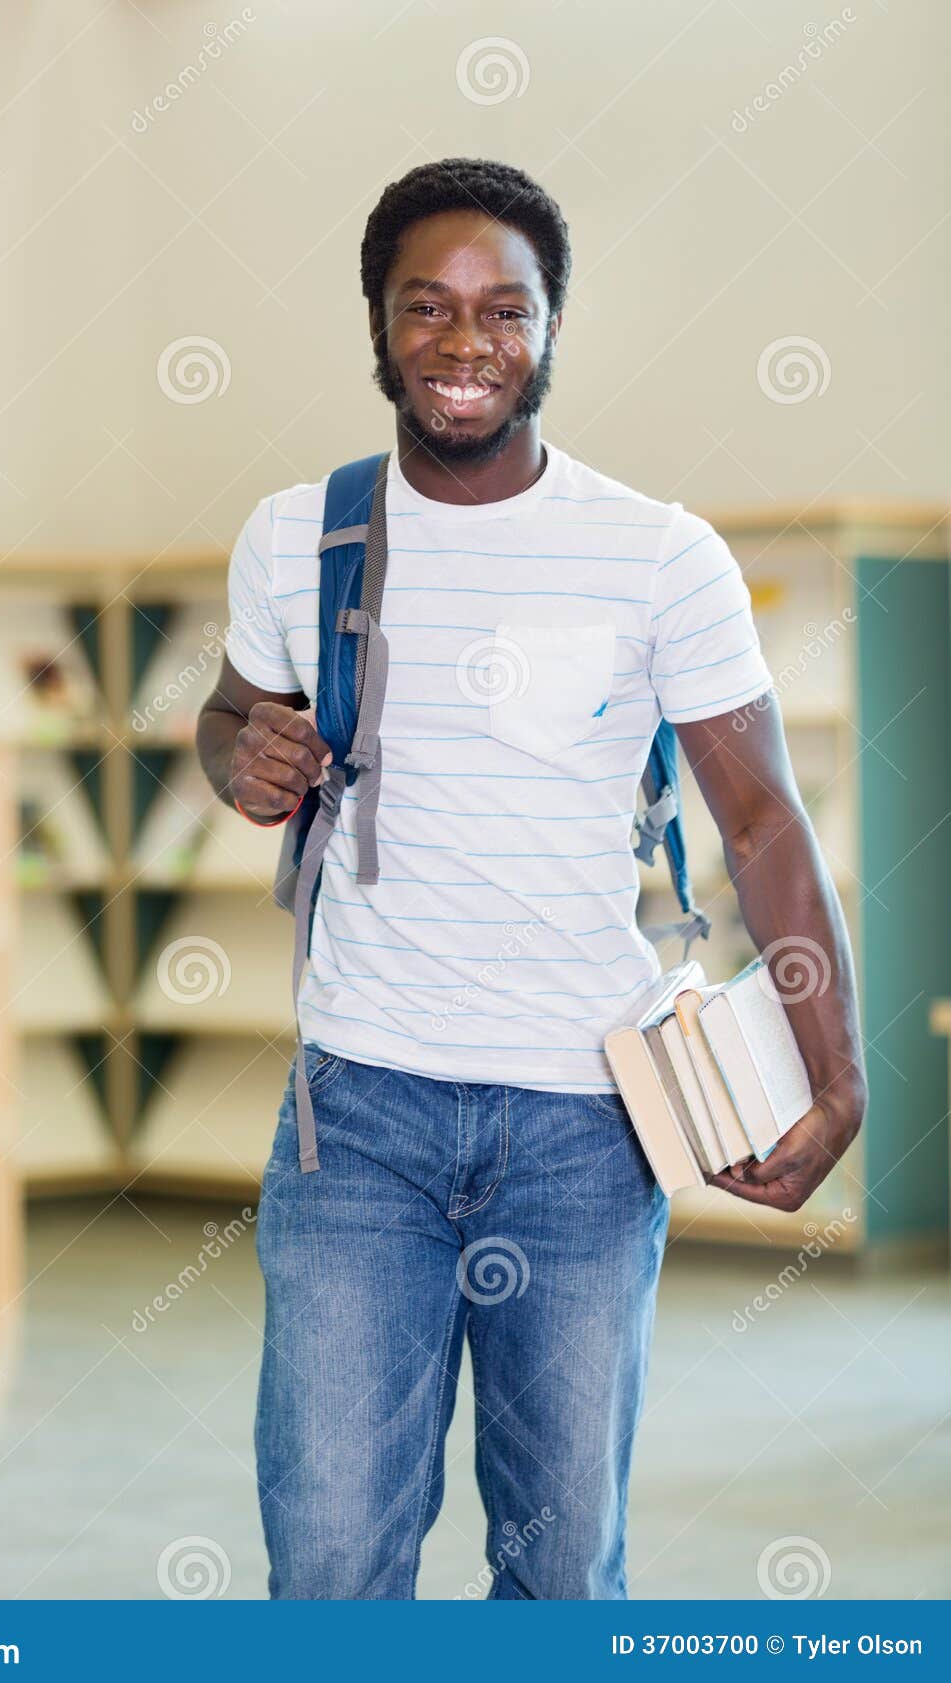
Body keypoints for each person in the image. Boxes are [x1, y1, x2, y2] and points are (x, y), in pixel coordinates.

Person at [196, 157, 866, 1601]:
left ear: (552, 327)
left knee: (561, 1570)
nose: (464, 342)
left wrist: (841, 1076)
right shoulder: (300, 536)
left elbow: (763, 824)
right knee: (325, 1559)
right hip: (355, 1118)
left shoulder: (657, 555)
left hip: (586, 1130)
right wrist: (242, 757)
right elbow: (226, 716)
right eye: (426, 306)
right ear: (377, 324)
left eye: (505, 309)